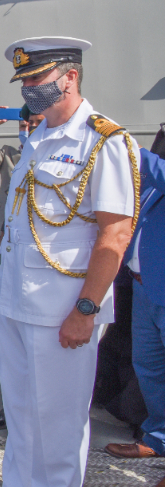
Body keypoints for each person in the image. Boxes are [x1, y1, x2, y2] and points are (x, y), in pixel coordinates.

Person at [0, 37, 141, 487]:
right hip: (17, 303)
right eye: (24, 80)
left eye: (38, 78)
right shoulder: (38, 138)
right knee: (21, 419)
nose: (29, 88)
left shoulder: (104, 141)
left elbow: (115, 233)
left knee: (57, 425)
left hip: (63, 310)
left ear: (70, 77)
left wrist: (86, 310)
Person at [0, 104, 44, 431]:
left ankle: (20, 408)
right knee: (6, 302)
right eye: (27, 124)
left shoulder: (56, 158)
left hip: (39, 254)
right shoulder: (11, 154)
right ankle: (5, 361)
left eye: (36, 123)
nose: (29, 128)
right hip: (6, 242)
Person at [105, 145, 165, 466]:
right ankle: (158, 437)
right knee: (149, 367)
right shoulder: (153, 187)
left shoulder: (159, 174)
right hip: (143, 290)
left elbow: (155, 169)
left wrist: (123, 144)